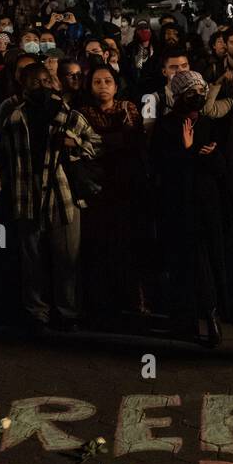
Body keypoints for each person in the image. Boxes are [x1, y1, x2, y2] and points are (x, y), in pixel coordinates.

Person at [0, 62, 100, 333]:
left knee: (67, 258)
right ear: (23, 86)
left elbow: (95, 143)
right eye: (34, 82)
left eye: (46, 81)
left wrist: (77, 144)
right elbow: (2, 160)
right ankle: (37, 312)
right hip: (26, 194)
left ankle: (67, 311)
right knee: (32, 260)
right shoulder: (14, 119)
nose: (42, 87)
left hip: (63, 194)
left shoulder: (69, 116)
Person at [150, 70, 233, 345]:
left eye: (201, 92)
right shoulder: (165, 126)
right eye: (191, 93)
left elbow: (222, 167)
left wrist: (210, 157)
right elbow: (161, 166)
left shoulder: (210, 124)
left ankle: (210, 317)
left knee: (202, 260)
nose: (197, 97)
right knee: (181, 263)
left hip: (205, 204)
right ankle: (186, 321)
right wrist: (186, 152)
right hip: (178, 204)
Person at [76, 63, 147, 323]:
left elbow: (132, 140)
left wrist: (98, 141)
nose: (103, 86)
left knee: (127, 246)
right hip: (96, 189)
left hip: (125, 187)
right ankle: (99, 305)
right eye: (97, 81)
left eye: (108, 81)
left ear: (116, 86)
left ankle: (132, 301)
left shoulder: (128, 109)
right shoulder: (82, 113)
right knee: (98, 248)